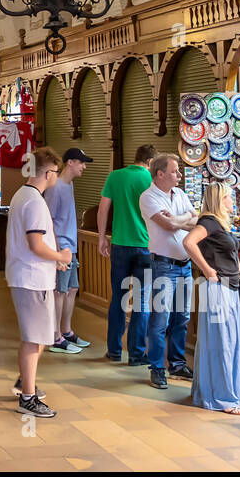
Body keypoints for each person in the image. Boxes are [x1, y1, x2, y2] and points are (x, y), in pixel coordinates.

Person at [6, 147, 71, 417]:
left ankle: (26, 380)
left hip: (30, 275)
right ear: (48, 172)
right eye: (55, 172)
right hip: (32, 278)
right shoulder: (33, 201)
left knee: (39, 337)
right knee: (34, 340)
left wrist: (54, 259)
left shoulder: (23, 194)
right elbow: (35, 244)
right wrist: (60, 255)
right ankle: (28, 398)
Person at [182, 183, 240, 415]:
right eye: (229, 197)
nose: (232, 201)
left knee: (227, 340)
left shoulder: (220, 223)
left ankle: (220, 392)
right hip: (218, 286)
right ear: (220, 199)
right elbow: (188, 242)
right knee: (223, 341)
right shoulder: (209, 221)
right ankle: (223, 397)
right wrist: (208, 270)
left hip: (228, 286)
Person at [139, 154, 198, 390]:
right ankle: (156, 368)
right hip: (163, 266)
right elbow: (169, 225)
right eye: (175, 171)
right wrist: (180, 220)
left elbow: (196, 219)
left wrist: (178, 219)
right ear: (160, 174)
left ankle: (177, 363)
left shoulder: (181, 195)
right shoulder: (148, 197)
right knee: (160, 319)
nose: (180, 175)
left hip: (185, 264)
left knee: (181, 318)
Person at [97, 143, 156, 364]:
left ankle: (113, 350)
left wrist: (102, 237)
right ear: (150, 162)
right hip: (145, 247)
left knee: (118, 299)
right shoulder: (151, 180)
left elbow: (103, 208)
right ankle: (136, 354)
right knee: (141, 302)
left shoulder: (115, 176)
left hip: (120, 245)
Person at [46, 148, 93, 355]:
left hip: (71, 246)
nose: (84, 166)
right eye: (82, 162)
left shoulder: (69, 184)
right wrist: (57, 252)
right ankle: (54, 336)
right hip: (61, 247)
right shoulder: (55, 186)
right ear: (71, 162)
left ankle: (66, 330)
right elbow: (48, 220)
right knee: (60, 291)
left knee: (72, 289)